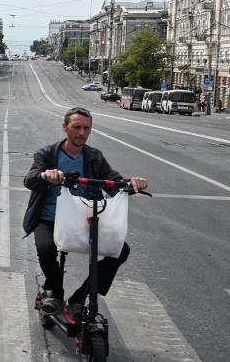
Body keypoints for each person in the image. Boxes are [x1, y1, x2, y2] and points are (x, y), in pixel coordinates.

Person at [23, 106, 148, 318]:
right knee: (45, 248)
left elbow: (114, 182)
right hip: (48, 219)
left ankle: (79, 298)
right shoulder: (47, 154)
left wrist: (132, 184)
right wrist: (46, 175)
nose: (82, 133)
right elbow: (30, 179)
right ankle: (54, 290)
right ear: (65, 127)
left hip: (82, 219)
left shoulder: (94, 157)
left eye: (87, 128)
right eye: (76, 127)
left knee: (120, 251)